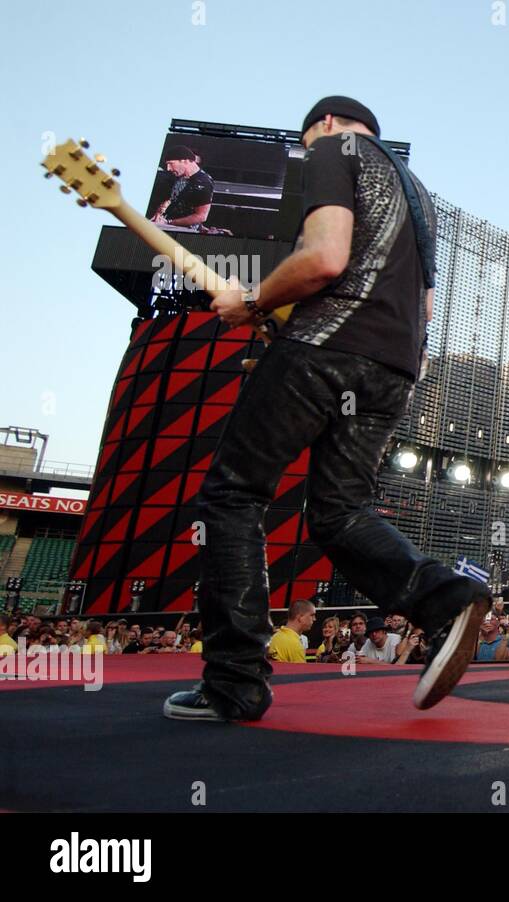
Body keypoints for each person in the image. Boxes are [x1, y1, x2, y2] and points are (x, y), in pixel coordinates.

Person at [164, 97, 492, 723]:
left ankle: (234, 681)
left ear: (324, 124)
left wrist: (254, 303)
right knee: (341, 511)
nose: (304, 150)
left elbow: (325, 258)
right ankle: (446, 598)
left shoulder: (333, 150)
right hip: (394, 369)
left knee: (234, 496)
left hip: (325, 349)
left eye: (304, 139)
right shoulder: (413, 188)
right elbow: (420, 307)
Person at [150, 145, 214, 228]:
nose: (168, 168)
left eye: (171, 164)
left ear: (185, 161)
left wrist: (169, 222)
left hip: (183, 229)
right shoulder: (180, 175)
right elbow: (172, 198)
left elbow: (201, 216)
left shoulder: (203, 183)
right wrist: (158, 214)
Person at [268, 599, 316, 664]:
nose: (314, 619)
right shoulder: (294, 644)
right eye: (312, 615)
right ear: (300, 617)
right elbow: (302, 673)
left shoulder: (276, 636)